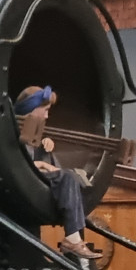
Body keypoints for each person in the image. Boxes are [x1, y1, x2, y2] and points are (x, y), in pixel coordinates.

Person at [14, 86, 101, 260]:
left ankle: (74, 236)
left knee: (73, 177)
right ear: (32, 109)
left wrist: (45, 151)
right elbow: (16, 165)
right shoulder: (12, 132)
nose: (47, 116)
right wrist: (40, 164)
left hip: (37, 181)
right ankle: (73, 239)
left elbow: (48, 167)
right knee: (67, 177)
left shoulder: (37, 135)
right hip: (21, 183)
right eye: (45, 111)